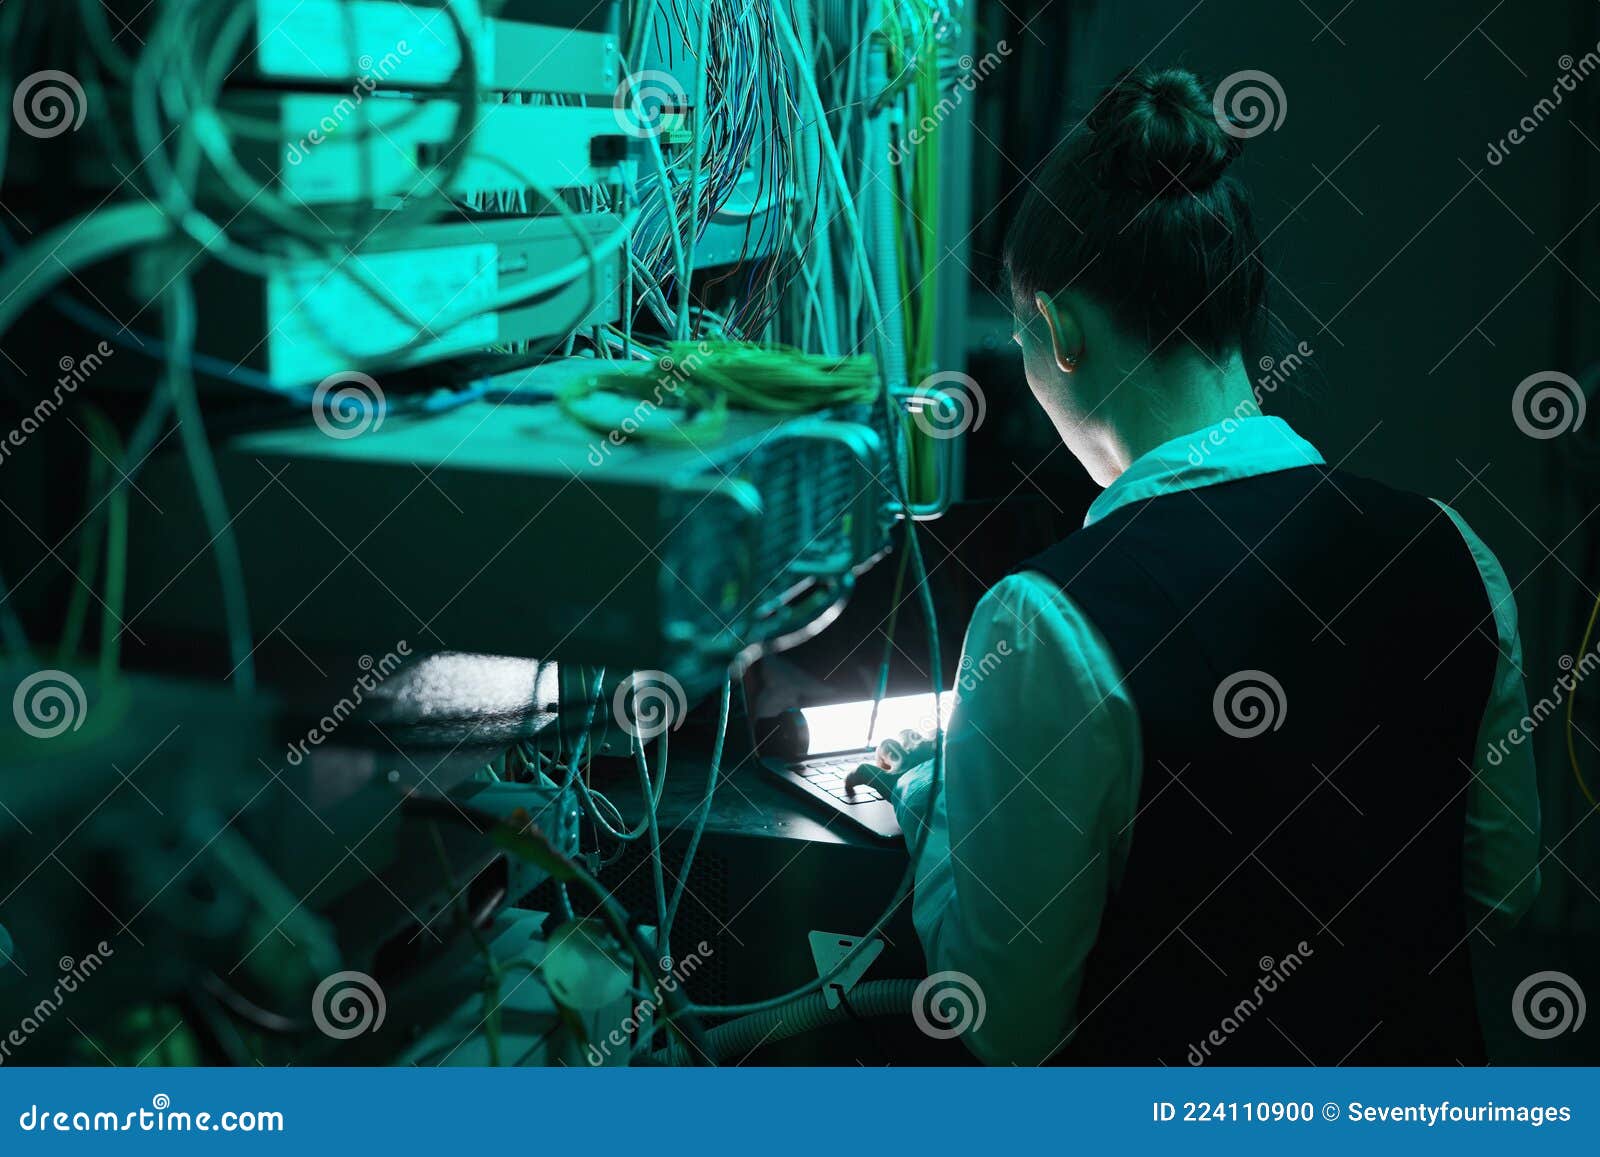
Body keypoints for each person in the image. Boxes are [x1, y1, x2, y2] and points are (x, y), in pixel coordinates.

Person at [848, 66, 1541, 1065]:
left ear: (1060, 331)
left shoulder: (1045, 621)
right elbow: (1506, 886)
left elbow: (1003, 1025)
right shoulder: (1451, 545)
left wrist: (932, 796)